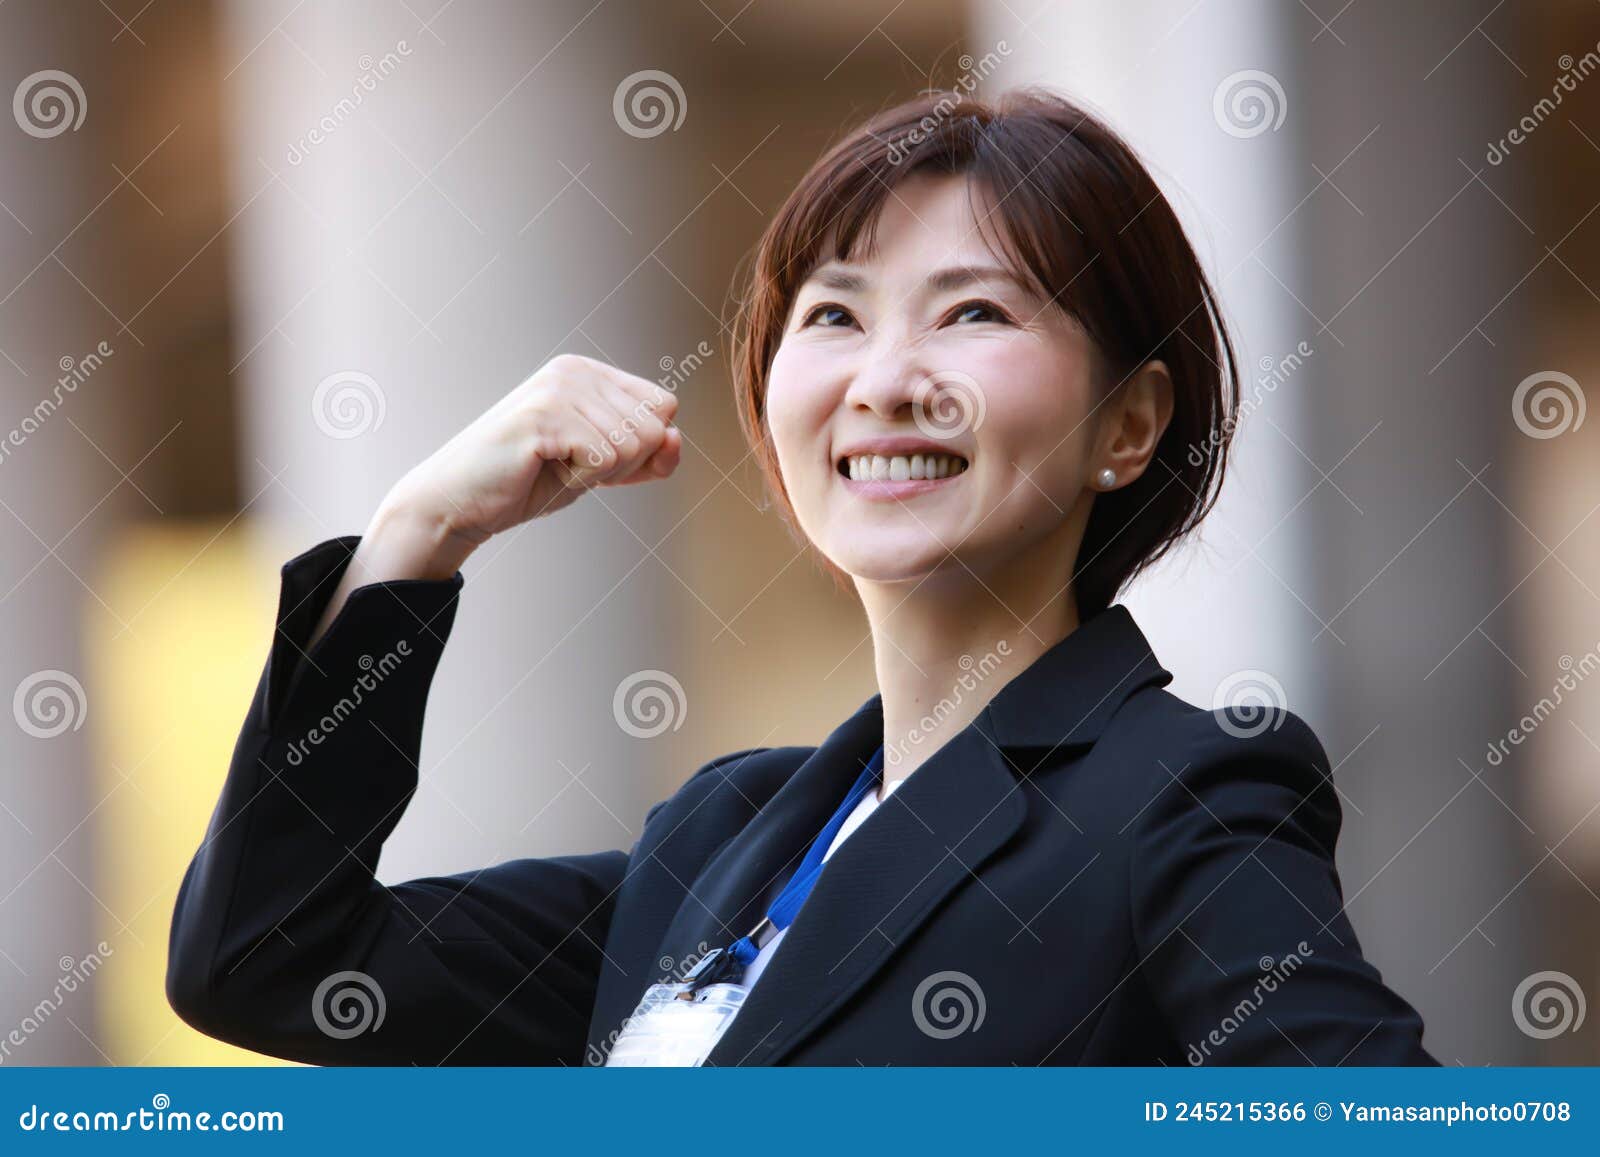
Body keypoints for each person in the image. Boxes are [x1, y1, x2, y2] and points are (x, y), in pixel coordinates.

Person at [166, 86, 1437, 1066]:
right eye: (834, 315)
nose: (884, 378)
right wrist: (419, 530)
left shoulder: (1179, 796)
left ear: (1130, 423)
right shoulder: (716, 840)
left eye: (975, 312)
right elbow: (267, 957)